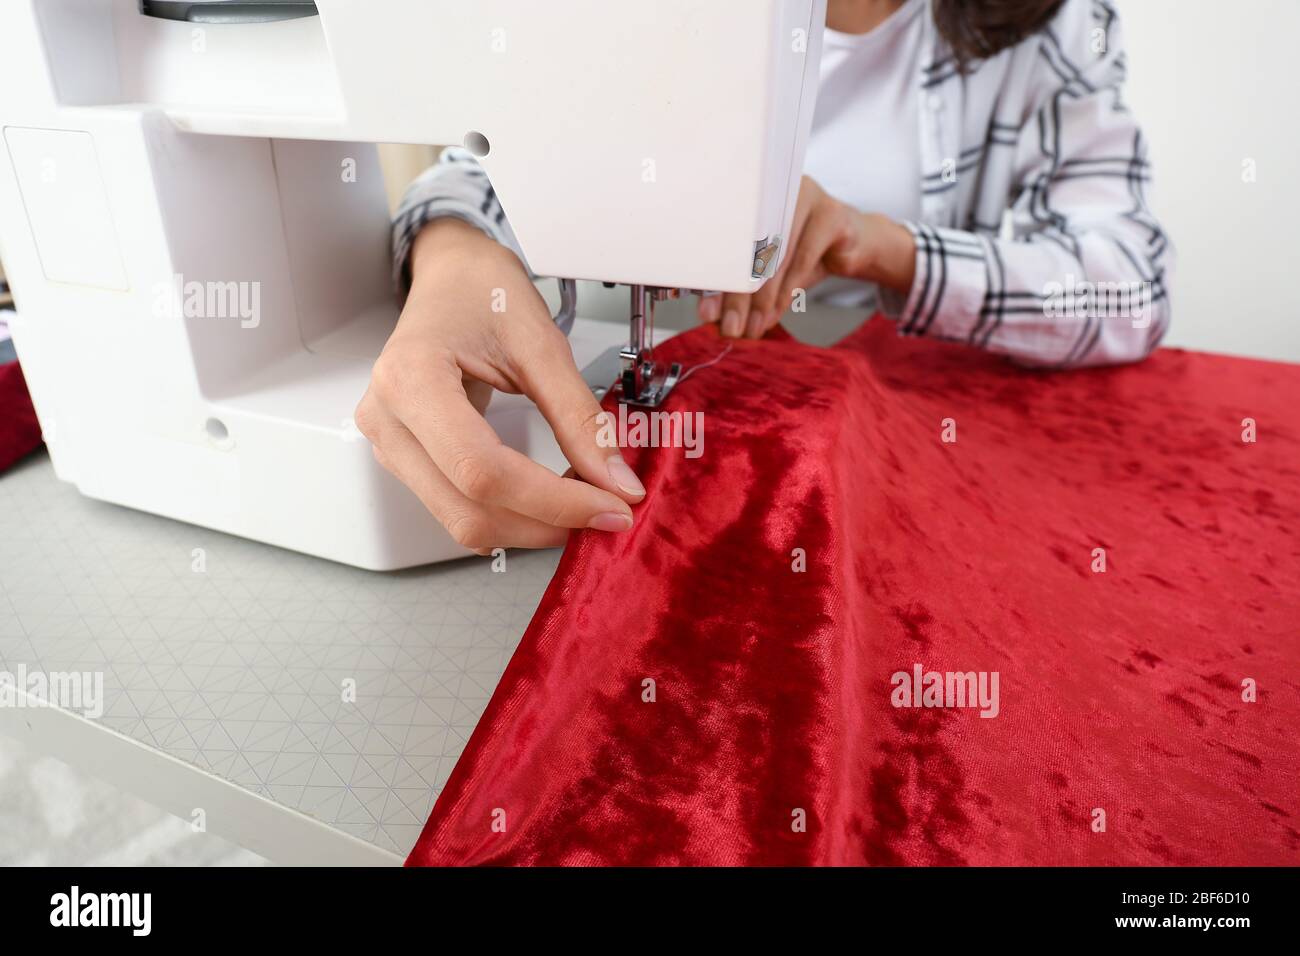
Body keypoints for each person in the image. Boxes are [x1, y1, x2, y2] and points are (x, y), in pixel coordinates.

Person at [355, 0, 1173, 553]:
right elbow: (482, 162)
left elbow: (1129, 284)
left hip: (903, 431)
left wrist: (879, 244)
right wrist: (456, 256)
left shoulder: (1053, 24)